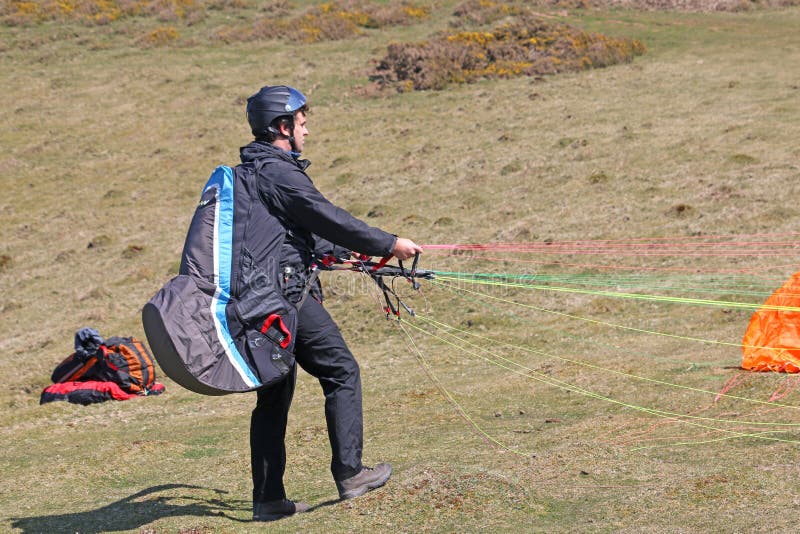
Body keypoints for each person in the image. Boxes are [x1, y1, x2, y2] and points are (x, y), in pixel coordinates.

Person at [241, 85, 423, 522]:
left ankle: (268, 500)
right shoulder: (277, 173)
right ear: (282, 127)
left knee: (274, 396)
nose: (307, 130)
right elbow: (326, 216)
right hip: (285, 298)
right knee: (342, 371)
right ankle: (351, 473)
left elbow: (299, 231)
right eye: (301, 123)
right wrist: (388, 243)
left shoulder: (255, 172)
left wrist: (359, 257)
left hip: (258, 299)